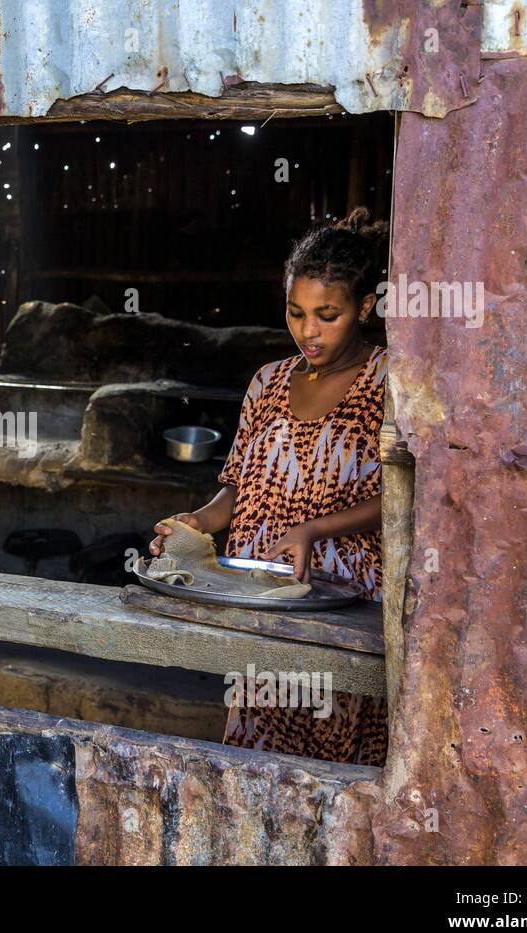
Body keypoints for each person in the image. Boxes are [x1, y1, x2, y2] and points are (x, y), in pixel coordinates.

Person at [148, 207, 389, 766]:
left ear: (365, 308)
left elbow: (404, 501)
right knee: (258, 751)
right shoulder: (267, 381)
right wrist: (198, 522)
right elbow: (235, 487)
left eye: (328, 314)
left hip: (342, 605)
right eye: (296, 312)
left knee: (332, 760)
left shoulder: (387, 382)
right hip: (258, 600)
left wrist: (315, 529)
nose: (309, 330)